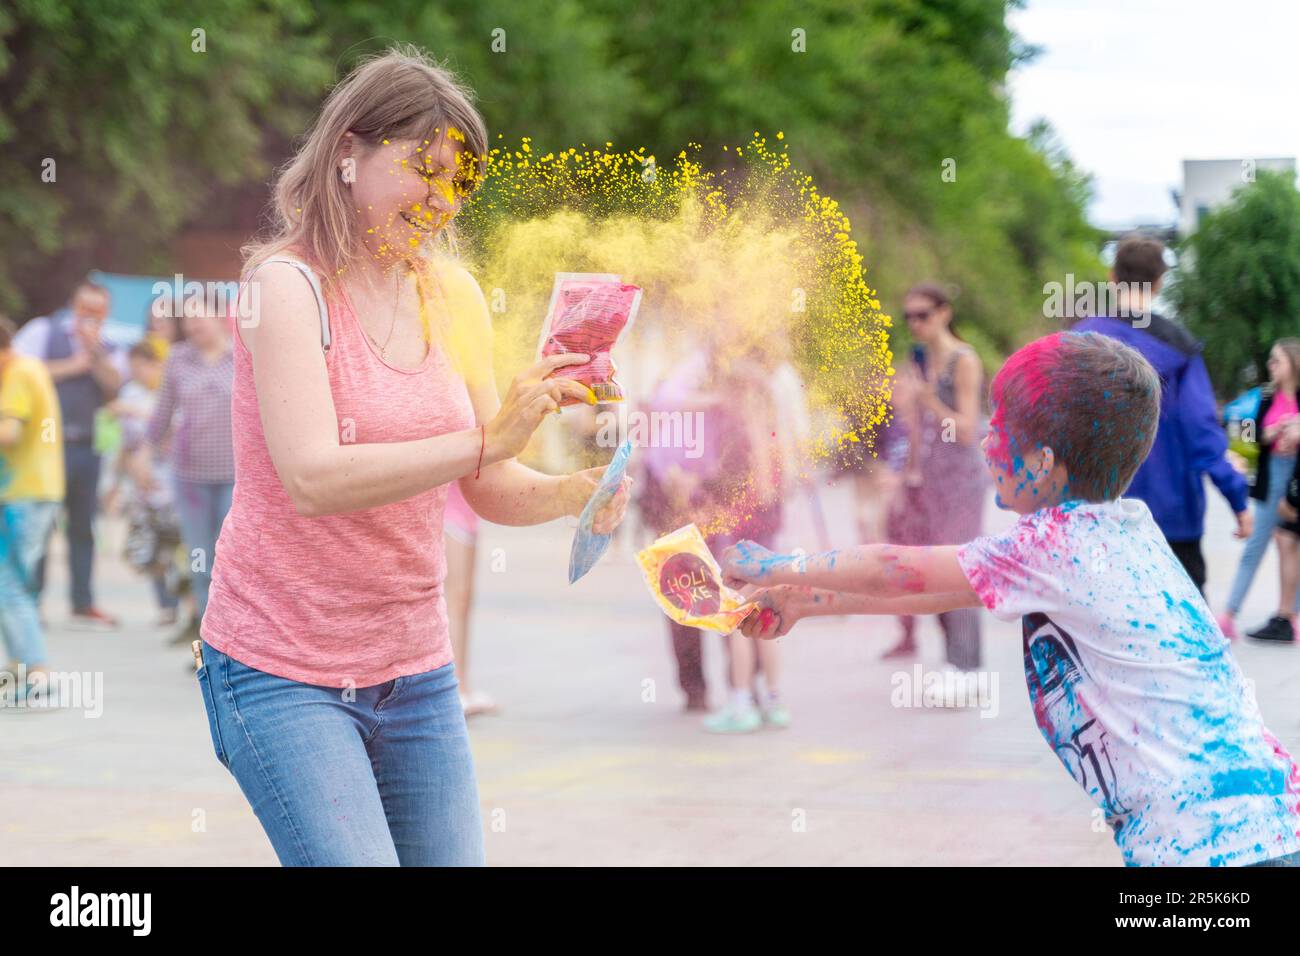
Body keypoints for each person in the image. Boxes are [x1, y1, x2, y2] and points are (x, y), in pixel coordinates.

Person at [195, 47, 629, 866]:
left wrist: (574, 491)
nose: (441, 201)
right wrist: (482, 440)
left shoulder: (451, 294)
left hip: (416, 672)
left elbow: (489, 482)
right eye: (424, 171)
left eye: (458, 183)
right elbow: (313, 479)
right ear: (348, 154)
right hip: (280, 671)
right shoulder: (284, 287)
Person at [723, 331, 1300, 867]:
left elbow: (895, 571)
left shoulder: (1060, 545)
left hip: (1211, 851)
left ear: (1043, 461)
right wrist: (800, 599)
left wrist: (778, 563)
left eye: (1002, 425)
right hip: (1266, 827)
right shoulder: (1127, 525)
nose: (988, 437)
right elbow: (936, 589)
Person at [1073, 234, 1251, 593]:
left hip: (1091, 514)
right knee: (1184, 636)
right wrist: (1237, 499)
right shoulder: (1180, 349)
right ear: (1159, 282)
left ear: (1112, 277)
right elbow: (1199, 429)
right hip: (1170, 519)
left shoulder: (1079, 341)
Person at [880, 283, 987, 698]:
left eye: (923, 315)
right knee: (930, 574)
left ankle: (967, 666)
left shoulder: (964, 360)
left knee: (958, 570)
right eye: (909, 317)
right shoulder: (919, 359)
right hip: (926, 480)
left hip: (960, 481)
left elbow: (965, 430)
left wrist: (928, 399)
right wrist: (905, 473)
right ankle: (953, 662)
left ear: (944, 313)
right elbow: (913, 425)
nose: (916, 324)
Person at [13, 281, 125, 629]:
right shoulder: (42, 331)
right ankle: (32, 599)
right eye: (85, 309)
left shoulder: (109, 345)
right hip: (45, 446)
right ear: (73, 306)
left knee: (83, 526)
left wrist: (95, 356)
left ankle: (82, 601)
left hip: (87, 445)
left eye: (98, 312)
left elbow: (115, 384)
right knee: (41, 525)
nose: (91, 317)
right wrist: (73, 365)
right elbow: (20, 372)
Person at [146, 304, 235, 646]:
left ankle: (232, 638)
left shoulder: (242, 356)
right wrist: (143, 454)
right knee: (199, 555)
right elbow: (163, 412)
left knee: (227, 556)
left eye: (200, 316)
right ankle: (205, 635)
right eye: (187, 318)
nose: (192, 324)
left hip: (234, 474)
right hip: (189, 476)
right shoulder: (178, 358)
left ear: (219, 317)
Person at [0, 315, 65, 705]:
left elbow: (9, 431)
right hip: (28, 492)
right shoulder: (26, 369)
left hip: (24, 494)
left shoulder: (19, 373)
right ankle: (22, 666)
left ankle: (36, 669)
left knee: (10, 584)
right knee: (9, 583)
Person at [1219, 339, 1300, 641]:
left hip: (1296, 477)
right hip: (1271, 475)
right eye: (1270, 360)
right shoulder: (1265, 397)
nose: (1271, 366)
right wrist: (1270, 433)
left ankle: (1291, 617)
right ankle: (1229, 615)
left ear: (1293, 363)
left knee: (1291, 546)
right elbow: (1246, 436)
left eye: (1277, 360)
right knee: (1256, 547)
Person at [105, 340, 182, 628]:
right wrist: (115, 482)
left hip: (172, 479)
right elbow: (125, 445)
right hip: (140, 482)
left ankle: (183, 605)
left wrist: (133, 411)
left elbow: (172, 425)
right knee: (148, 546)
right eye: (133, 366)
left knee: (176, 545)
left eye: (142, 365)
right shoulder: (130, 392)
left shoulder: (168, 390)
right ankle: (165, 604)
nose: (138, 372)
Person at [443, 481, 495, 715]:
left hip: (468, 513)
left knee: (464, 601)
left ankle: (463, 686)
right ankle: (453, 688)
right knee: (453, 600)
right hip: (446, 513)